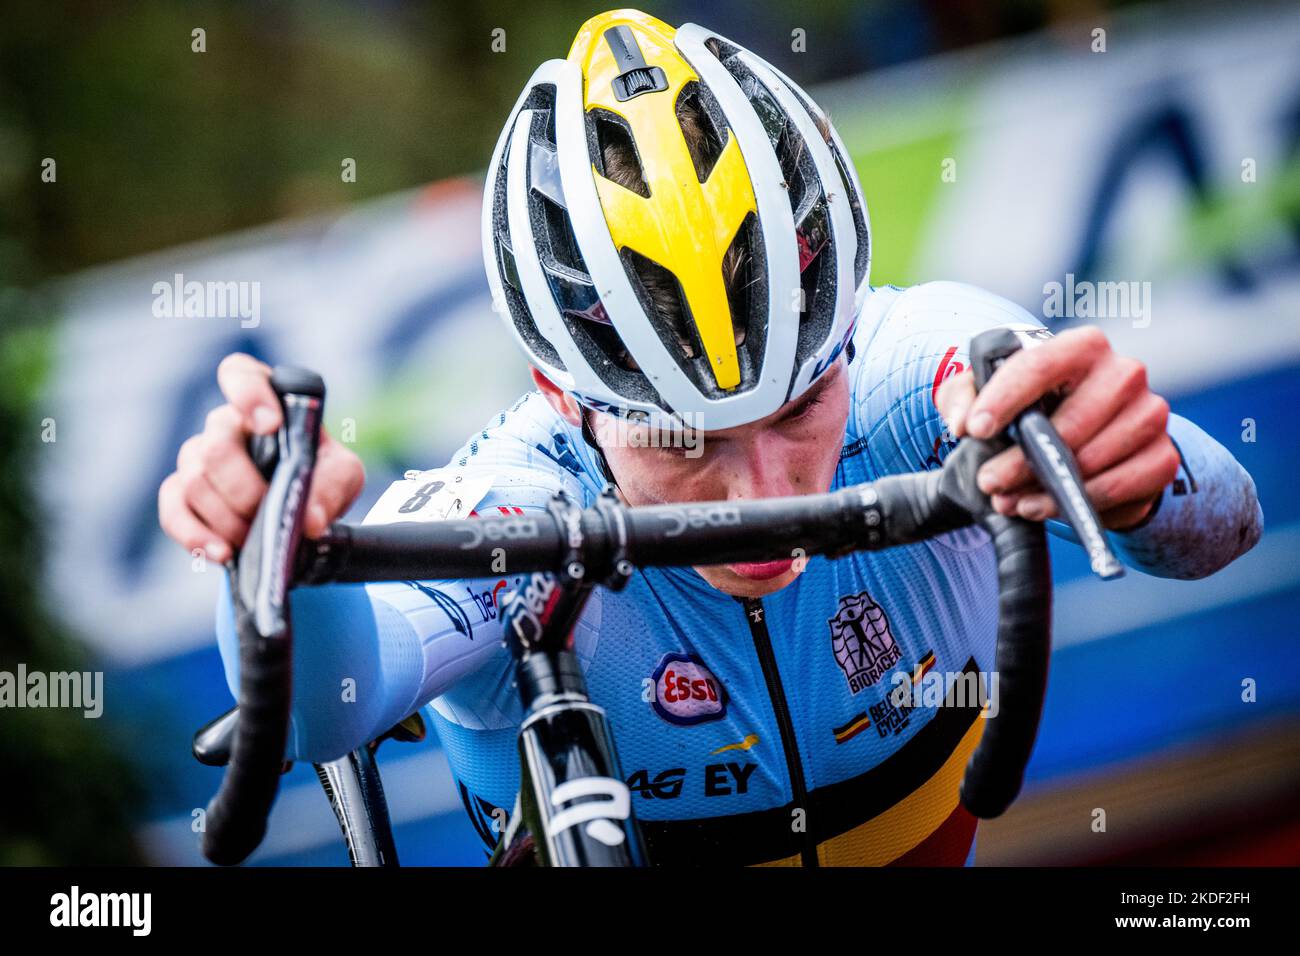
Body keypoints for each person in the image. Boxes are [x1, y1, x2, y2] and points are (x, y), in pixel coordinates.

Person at [158, 9, 1262, 866]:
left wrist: (1137, 468)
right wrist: (273, 547)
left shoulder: (916, 371)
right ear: (567, 392)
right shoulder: (511, 501)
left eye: (794, 410)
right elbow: (323, 707)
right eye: (684, 443)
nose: (757, 490)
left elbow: (1220, 524)